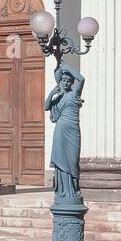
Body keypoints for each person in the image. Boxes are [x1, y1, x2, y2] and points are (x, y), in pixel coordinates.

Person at [45, 63, 84, 199]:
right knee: (61, 160)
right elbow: (46, 106)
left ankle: (73, 189)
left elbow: (81, 79)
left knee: (72, 161)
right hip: (60, 131)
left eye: (69, 81)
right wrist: (52, 93)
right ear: (60, 82)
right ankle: (62, 191)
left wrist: (67, 68)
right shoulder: (59, 98)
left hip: (73, 132)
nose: (67, 82)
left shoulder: (75, 94)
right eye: (64, 80)